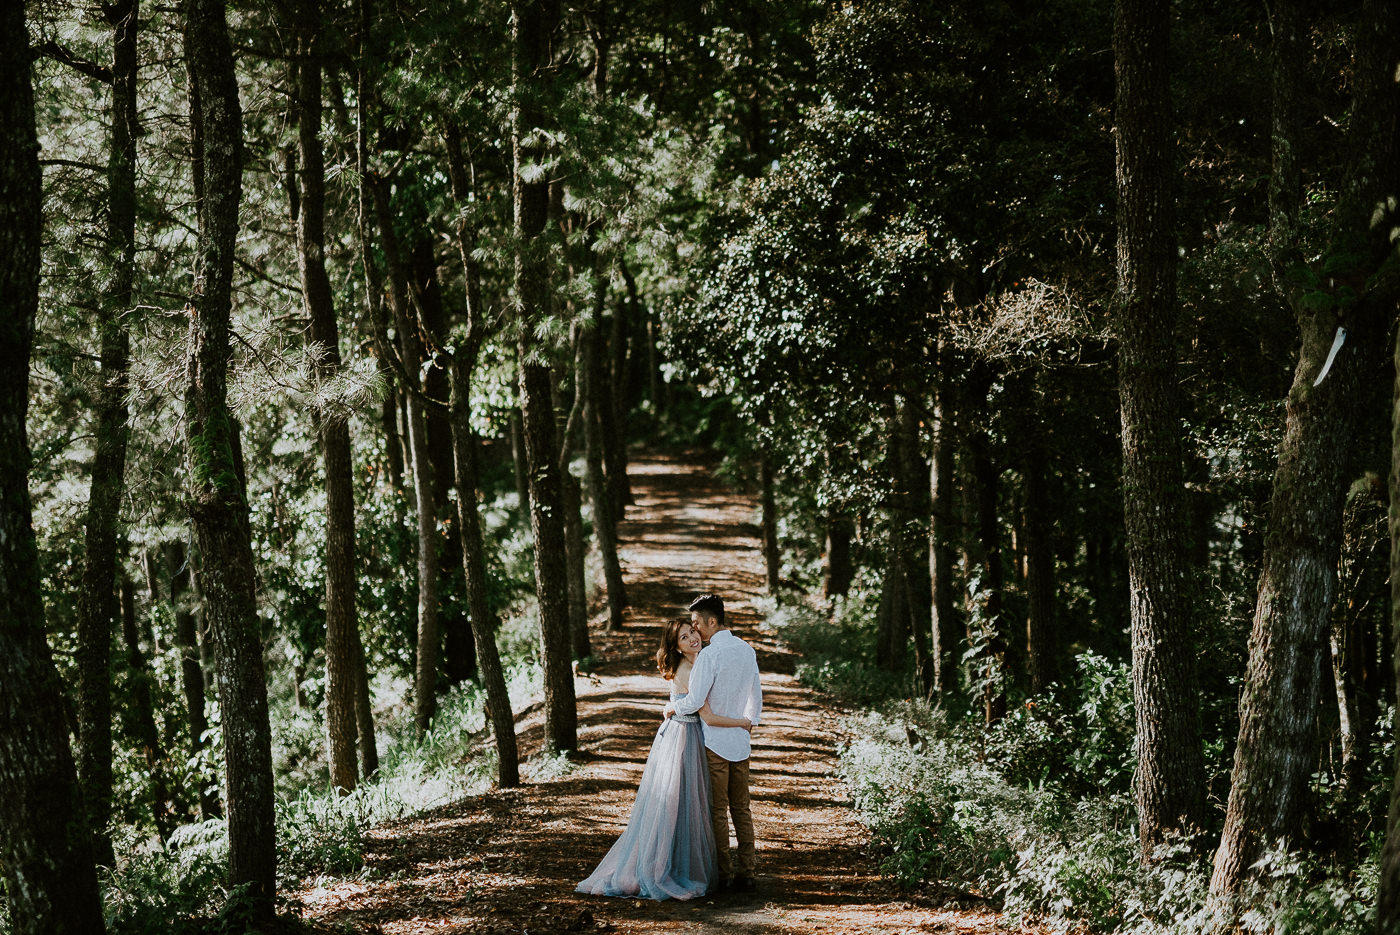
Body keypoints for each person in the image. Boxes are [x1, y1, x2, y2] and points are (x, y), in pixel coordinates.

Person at [576, 619, 753, 901]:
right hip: (684, 737)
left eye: (692, 631)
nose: (693, 638)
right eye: (684, 638)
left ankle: (703, 865)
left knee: (693, 804)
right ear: (677, 647)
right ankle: (675, 866)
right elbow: (705, 714)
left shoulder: (703, 662)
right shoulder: (688, 670)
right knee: (678, 803)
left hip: (696, 735)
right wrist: (743, 722)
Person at [665, 593, 763, 894]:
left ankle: (724, 874)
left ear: (711, 621)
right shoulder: (746, 650)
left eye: (697, 623)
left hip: (715, 744)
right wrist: (748, 723)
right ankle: (747, 872)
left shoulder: (710, 655)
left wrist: (672, 708)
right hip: (741, 742)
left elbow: (694, 701)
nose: (696, 630)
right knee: (742, 810)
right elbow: (755, 697)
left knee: (719, 811)